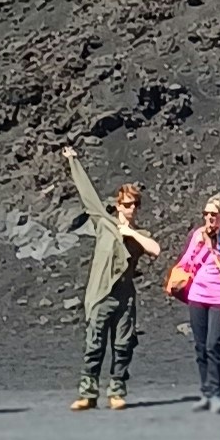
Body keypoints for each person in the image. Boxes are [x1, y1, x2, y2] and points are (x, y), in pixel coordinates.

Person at [62, 146, 163, 411]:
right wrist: (73, 161)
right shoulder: (103, 222)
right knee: (93, 344)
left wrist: (129, 233)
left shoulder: (140, 233)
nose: (131, 209)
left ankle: (117, 390)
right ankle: (88, 392)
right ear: (118, 205)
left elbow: (155, 250)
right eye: (127, 204)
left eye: (135, 205)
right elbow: (88, 195)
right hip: (101, 294)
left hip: (125, 296)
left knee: (123, 345)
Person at [178, 192, 220, 413]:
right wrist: (199, 246)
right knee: (201, 346)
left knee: (215, 344)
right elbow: (186, 264)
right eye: (206, 214)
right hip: (197, 296)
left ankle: (216, 393)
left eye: (214, 214)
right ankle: (206, 392)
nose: (209, 218)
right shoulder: (198, 235)